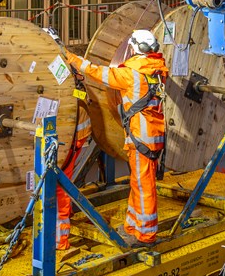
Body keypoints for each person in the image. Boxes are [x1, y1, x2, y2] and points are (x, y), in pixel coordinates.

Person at [70, 29, 166, 244]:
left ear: (135, 48)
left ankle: (147, 232)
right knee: (139, 182)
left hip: (141, 138)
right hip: (152, 136)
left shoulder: (131, 74)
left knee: (144, 185)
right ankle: (133, 224)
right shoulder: (158, 69)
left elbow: (96, 72)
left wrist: (69, 57)